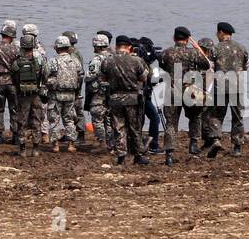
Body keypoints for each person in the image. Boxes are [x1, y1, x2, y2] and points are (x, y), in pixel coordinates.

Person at [159, 26, 212, 166]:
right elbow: (207, 65)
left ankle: (169, 154)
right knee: (195, 116)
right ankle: (193, 144)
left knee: (171, 123)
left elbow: (162, 65)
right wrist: (197, 48)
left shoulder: (166, 53)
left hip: (172, 90)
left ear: (174, 38)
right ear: (188, 40)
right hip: (190, 90)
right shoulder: (193, 53)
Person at [100, 35, 150, 165]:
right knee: (135, 127)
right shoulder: (136, 60)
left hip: (115, 98)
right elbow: (144, 78)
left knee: (118, 128)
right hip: (132, 98)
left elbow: (103, 78)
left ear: (116, 47)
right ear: (130, 47)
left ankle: (121, 155)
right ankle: (138, 155)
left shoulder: (108, 61)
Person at [207, 22, 249, 156]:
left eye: (217, 33)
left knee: (216, 115)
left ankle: (216, 139)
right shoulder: (242, 48)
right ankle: (237, 147)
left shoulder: (215, 49)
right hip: (237, 86)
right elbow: (245, 67)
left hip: (220, 86)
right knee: (237, 116)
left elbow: (210, 67)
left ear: (221, 33)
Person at [9, 33, 46, 157]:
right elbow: (45, 75)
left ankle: (23, 149)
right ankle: (36, 148)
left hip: (22, 95)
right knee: (37, 120)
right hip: (36, 94)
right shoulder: (40, 59)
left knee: (22, 121)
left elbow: (13, 77)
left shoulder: (17, 61)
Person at [46, 34, 83, 152]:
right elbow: (81, 77)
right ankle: (71, 144)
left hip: (56, 94)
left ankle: (55, 145)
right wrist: (77, 92)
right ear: (68, 47)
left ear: (57, 48)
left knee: (54, 119)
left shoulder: (53, 61)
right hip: (71, 94)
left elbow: (45, 76)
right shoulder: (75, 61)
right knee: (69, 119)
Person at [0, 24, 19, 143]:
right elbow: (18, 67)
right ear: (11, 37)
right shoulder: (16, 49)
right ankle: (15, 135)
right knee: (14, 109)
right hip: (12, 82)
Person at [85, 32, 112, 147]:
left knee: (97, 118)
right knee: (109, 118)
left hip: (99, 93)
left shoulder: (97, 59)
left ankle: (102, 143)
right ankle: (111, 143)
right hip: (112, 93)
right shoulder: (113, 57)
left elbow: (89, 76)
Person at [65, 31, 87, 142]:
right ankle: (76, 133)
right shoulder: (76, 52)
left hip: (74, 87)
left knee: (75, 110)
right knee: (75, 110)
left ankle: (80, 134)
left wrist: (76, 88)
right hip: (76, 86)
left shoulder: (72, 54)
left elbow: (77, 72)